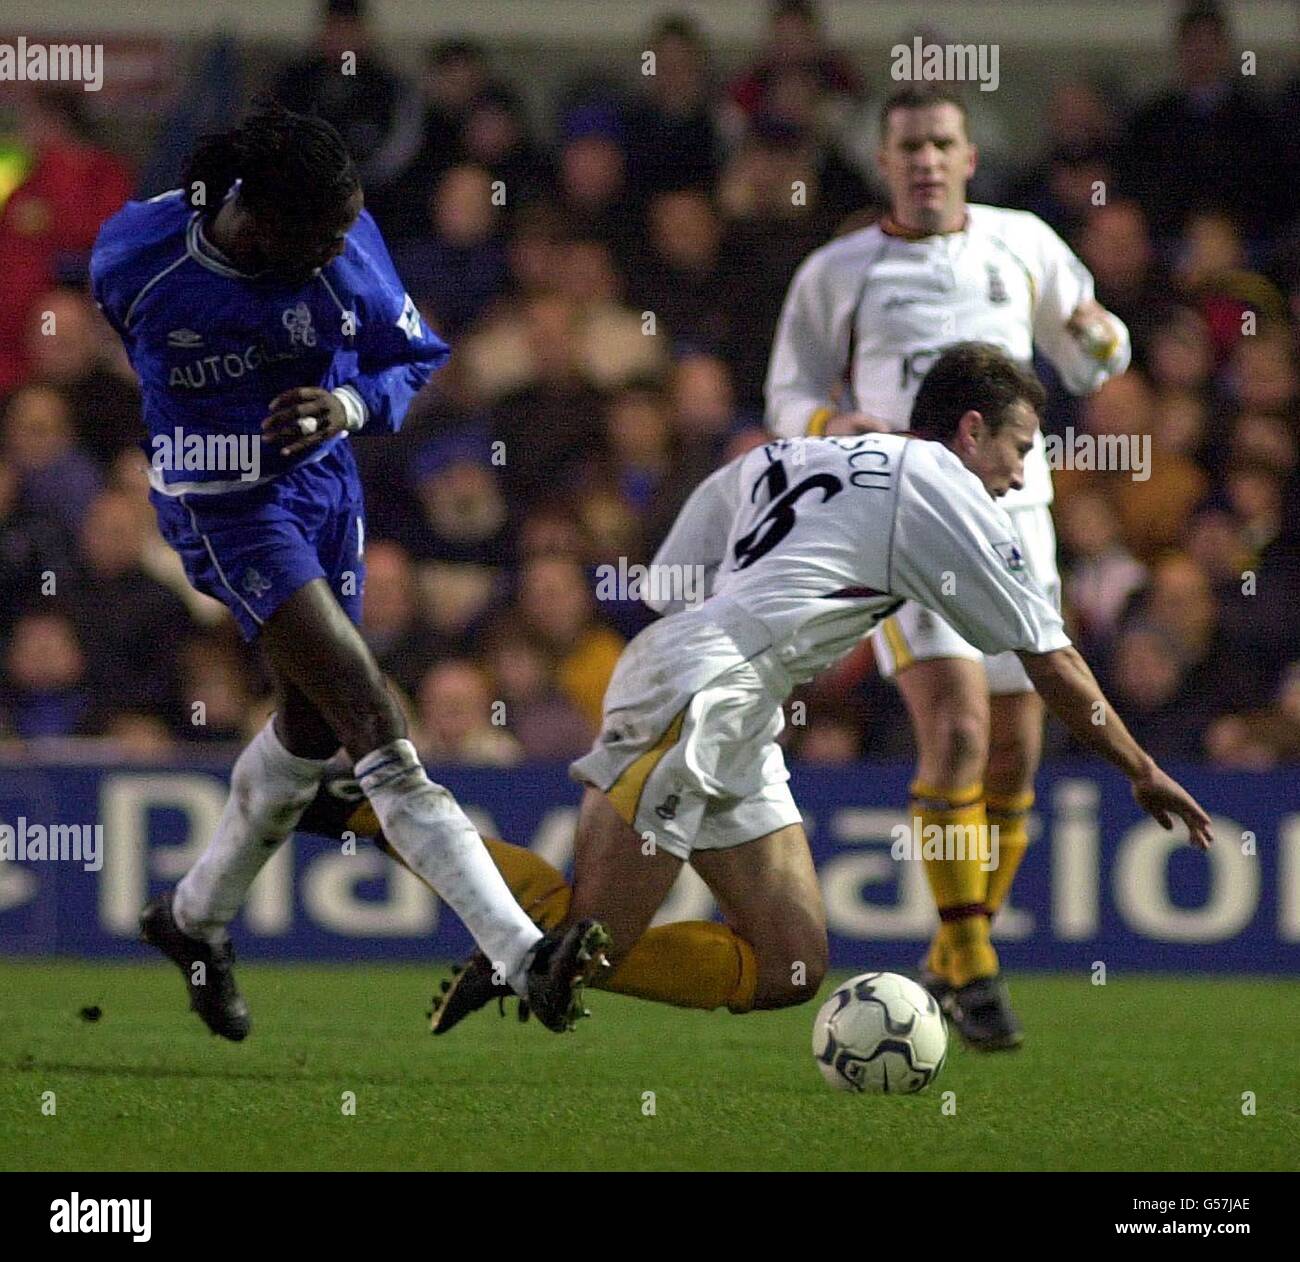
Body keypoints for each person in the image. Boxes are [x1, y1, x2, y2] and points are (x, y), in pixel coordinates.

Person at [293, 345, 1212, 1040]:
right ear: (969, 430)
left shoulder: (778, 459)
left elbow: (669, 586)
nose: (1021, 474)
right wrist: (1141, 768)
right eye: (1017, 448)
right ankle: (371, 815)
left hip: (714, 685)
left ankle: (526, 948)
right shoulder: (947, 485)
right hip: (712, 689)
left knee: (793, 965)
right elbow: (1051, 662)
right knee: (583, 939)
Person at [90, 103, 606, 1042]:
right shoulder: (139, 255)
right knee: (372, 717)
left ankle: (192, 917)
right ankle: (524, 953)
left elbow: (412, 358)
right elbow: (134, 345)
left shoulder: (339, 246)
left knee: (309, 719)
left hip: (325, 486)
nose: (340, 251)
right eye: (320, 236)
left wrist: (345, 404)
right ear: (262, 219)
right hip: (229, 508)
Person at [764, 82, 1132, 1048]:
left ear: (970, 157)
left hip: (1020, 517)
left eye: (941, 144)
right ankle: (971, 963)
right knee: (959, 734)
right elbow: (786, 395)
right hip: (901, 520)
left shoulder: (1024, 244)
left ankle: (952, 949)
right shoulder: (838, 271)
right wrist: (830, 423)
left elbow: (1092, 348)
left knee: (1017, 750)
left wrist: (1106, 341)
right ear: (884, 163)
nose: (925, 160)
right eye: (908, 147)